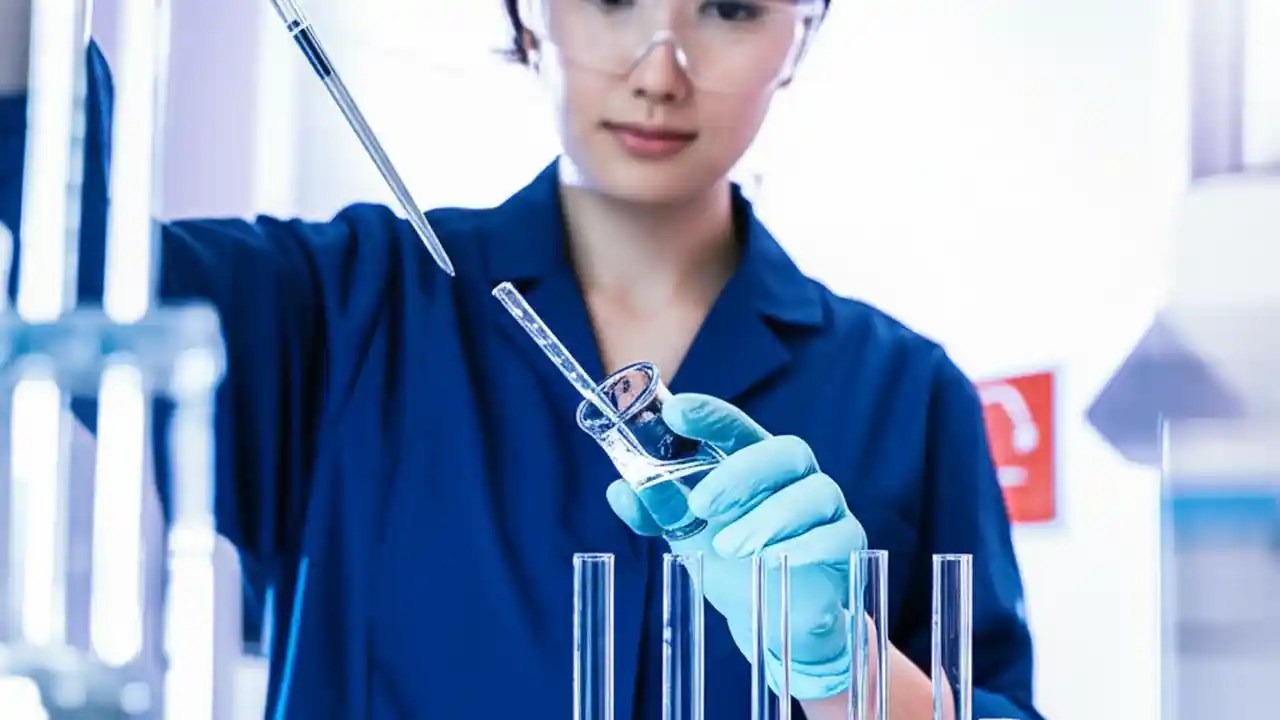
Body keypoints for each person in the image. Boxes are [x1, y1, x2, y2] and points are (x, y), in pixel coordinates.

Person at [0, 0, 1045, 718]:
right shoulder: (341, 307)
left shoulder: (907, 396)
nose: (657, 70)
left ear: (799, 32)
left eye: (727, 6)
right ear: (526, 12)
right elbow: (68, 250)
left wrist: (843, 672)